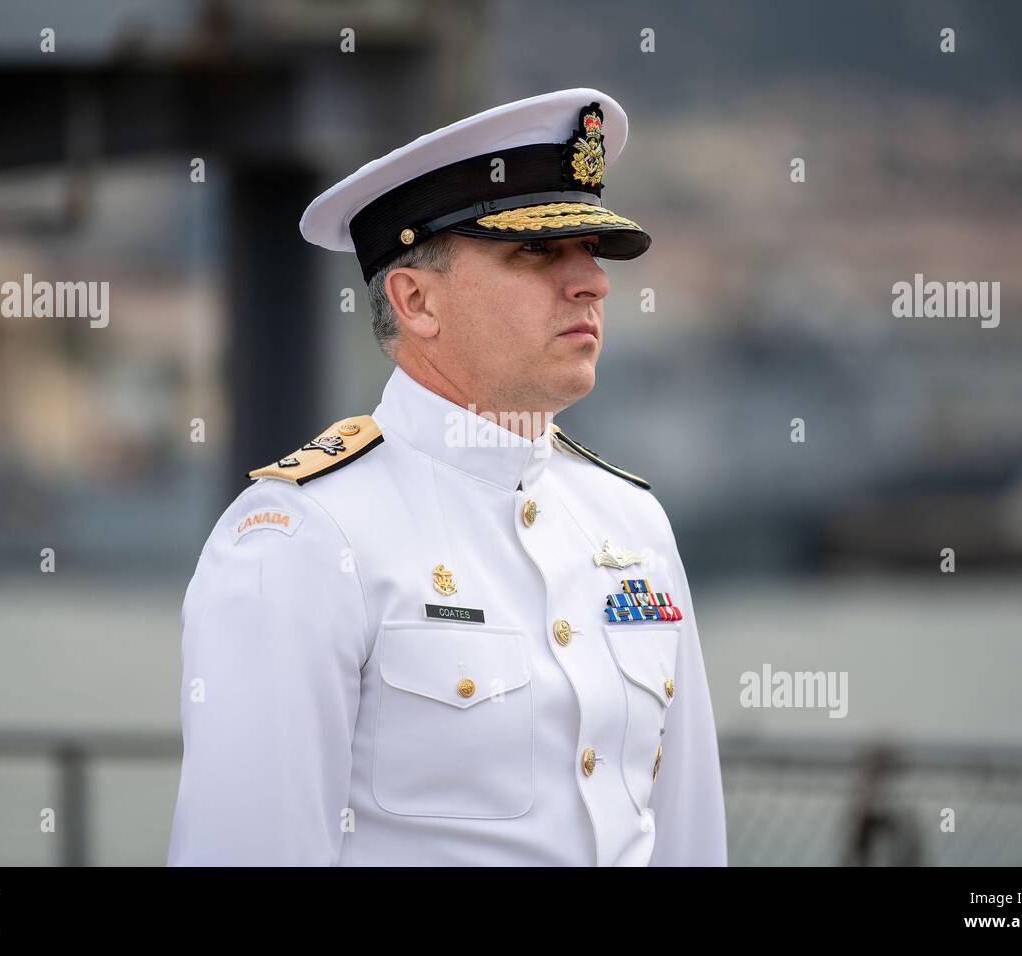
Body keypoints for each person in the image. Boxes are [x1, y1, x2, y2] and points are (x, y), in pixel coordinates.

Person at [167, 88, 727, 866]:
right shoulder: (302, 539)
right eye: (536, 251)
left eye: (592, 250)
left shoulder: (632, 526)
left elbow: (688, 837)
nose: (591, 282)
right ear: (416, 299)